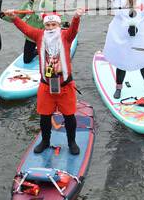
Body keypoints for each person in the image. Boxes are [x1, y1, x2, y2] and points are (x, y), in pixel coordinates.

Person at [7, 8, 87, 156]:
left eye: (53, 25)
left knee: (69, 116)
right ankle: (45, 141)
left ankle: (71, 142)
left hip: (65, 86)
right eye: (48, 25)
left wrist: (76, 17)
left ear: (58, 25)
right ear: (44, 26)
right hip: (46, 86)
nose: (50, 28)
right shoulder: (39, 35)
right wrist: (14, 18)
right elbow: (25, 28)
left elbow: (74, 30)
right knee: (44, 116)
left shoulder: (65, 36)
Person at [3, 0, 55, 65]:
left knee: (49, 59)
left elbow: (54, 19)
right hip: (30, 35)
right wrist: (2, 15)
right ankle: (37, 51)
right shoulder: (26, 5)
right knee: (26, 60)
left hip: (44, 35)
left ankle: (45, 50)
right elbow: (16, 18)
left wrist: (64, 25)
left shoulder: (47, 4)